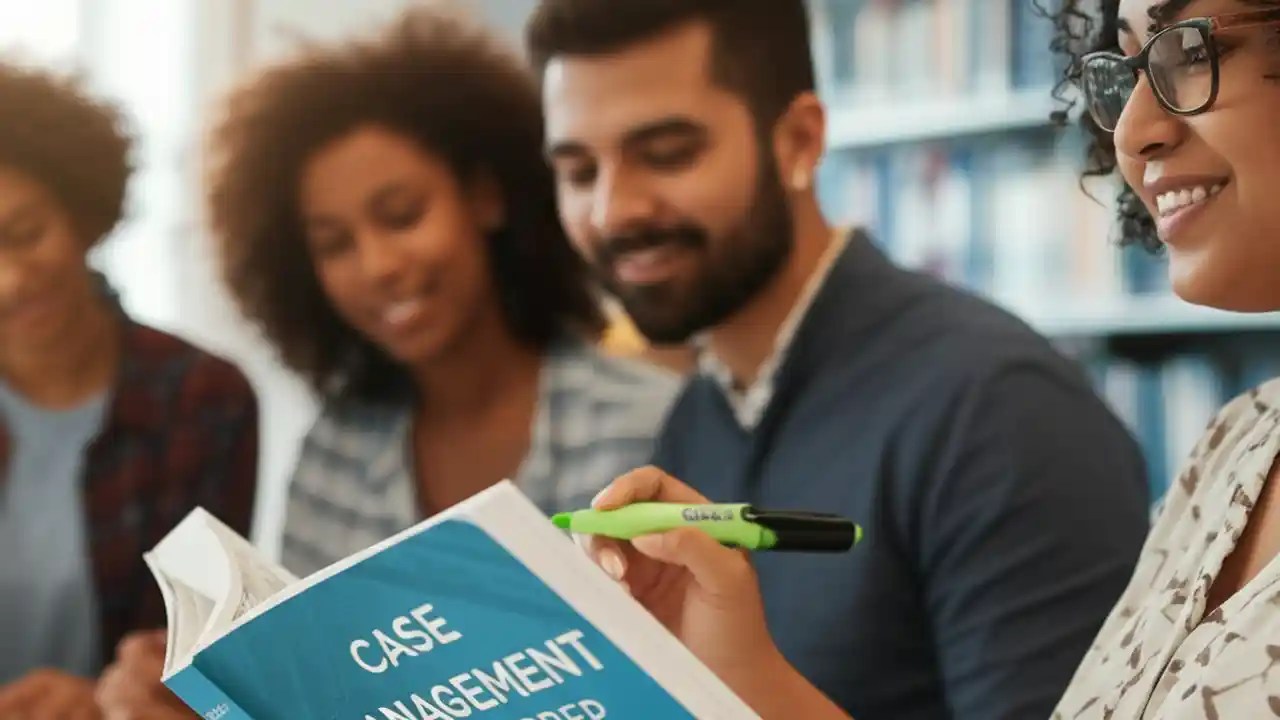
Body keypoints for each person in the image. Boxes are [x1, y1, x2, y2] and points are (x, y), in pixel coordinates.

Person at [528, 0, 1153, 717]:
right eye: (577, 172)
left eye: (668, 154)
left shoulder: (999, 410)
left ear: (798, 141)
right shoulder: (698, 420)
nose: (613, 211)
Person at [0, 60, 259, 720]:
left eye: (26, 235)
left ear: (81, 211)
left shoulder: (203, 400)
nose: (11, 281)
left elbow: (201, 654)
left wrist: (96, 700)